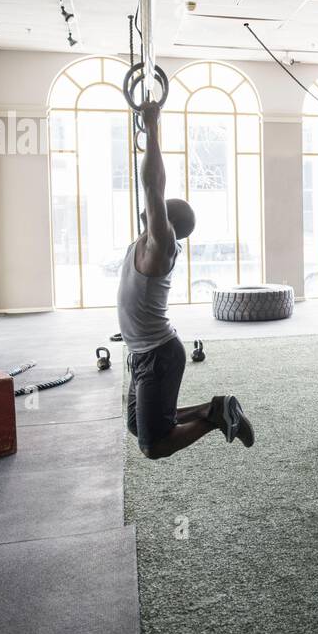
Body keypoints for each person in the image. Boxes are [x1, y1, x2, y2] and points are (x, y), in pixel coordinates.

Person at [121, 100, 254, 459]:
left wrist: (152, 128)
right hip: (142, 353)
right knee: (136, 424)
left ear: (167, 223)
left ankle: (218, 417)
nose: (153, 208)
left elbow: (153, 184)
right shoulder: (144, 243)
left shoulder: (160, 245)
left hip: (158, 354)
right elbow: (150, 189)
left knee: (153, 445)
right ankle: (215, 409)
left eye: (161, 209)